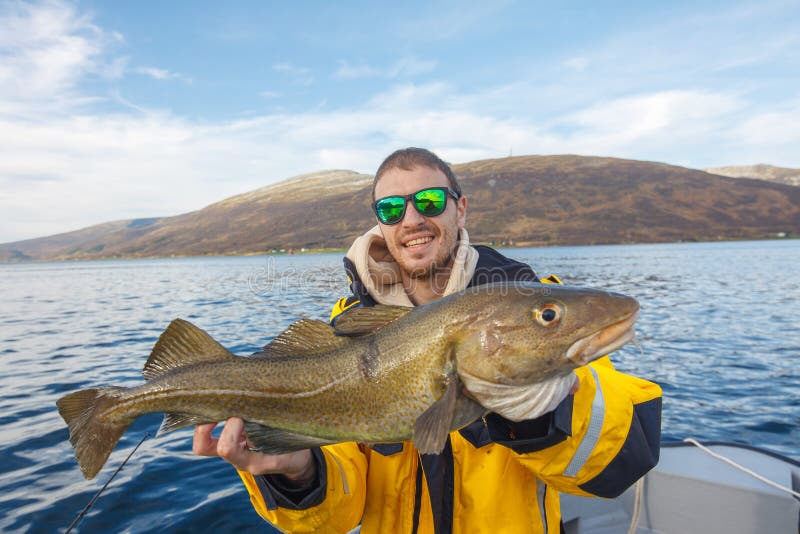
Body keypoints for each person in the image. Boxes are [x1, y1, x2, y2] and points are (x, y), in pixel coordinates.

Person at [193, 148, 662, 533]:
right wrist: (301, 472)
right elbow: (336, 517)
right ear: (381, 225)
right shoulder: (343, 337)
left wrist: (546, 411)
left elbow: (622, 460)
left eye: (431, 201)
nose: (412, 218)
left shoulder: (530, 311)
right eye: (392, 209)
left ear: (461, 208)